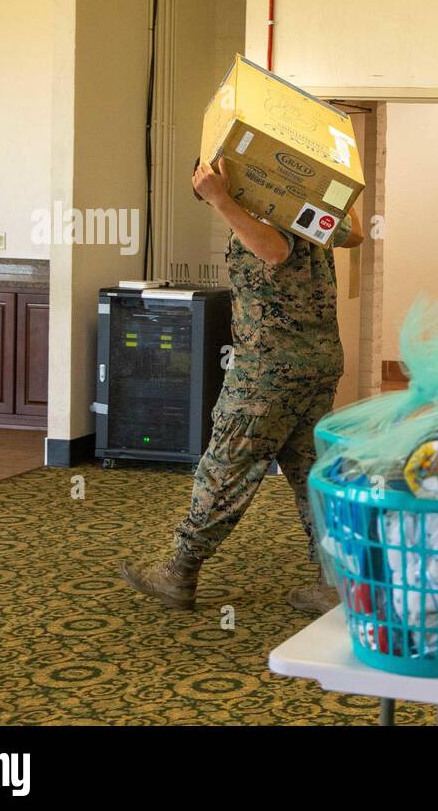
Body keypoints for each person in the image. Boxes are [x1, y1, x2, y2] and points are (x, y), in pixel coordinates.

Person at [121, 157, 364, 614]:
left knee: (226, 466)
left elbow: (273, 252)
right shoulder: (304, 209)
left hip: (269, 371)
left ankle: (180, 571)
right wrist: (329, 184)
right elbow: (354, 233)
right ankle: (334, 581)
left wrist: (221, 200)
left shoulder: (269, 214)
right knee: (312, 472)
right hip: (316, 362)